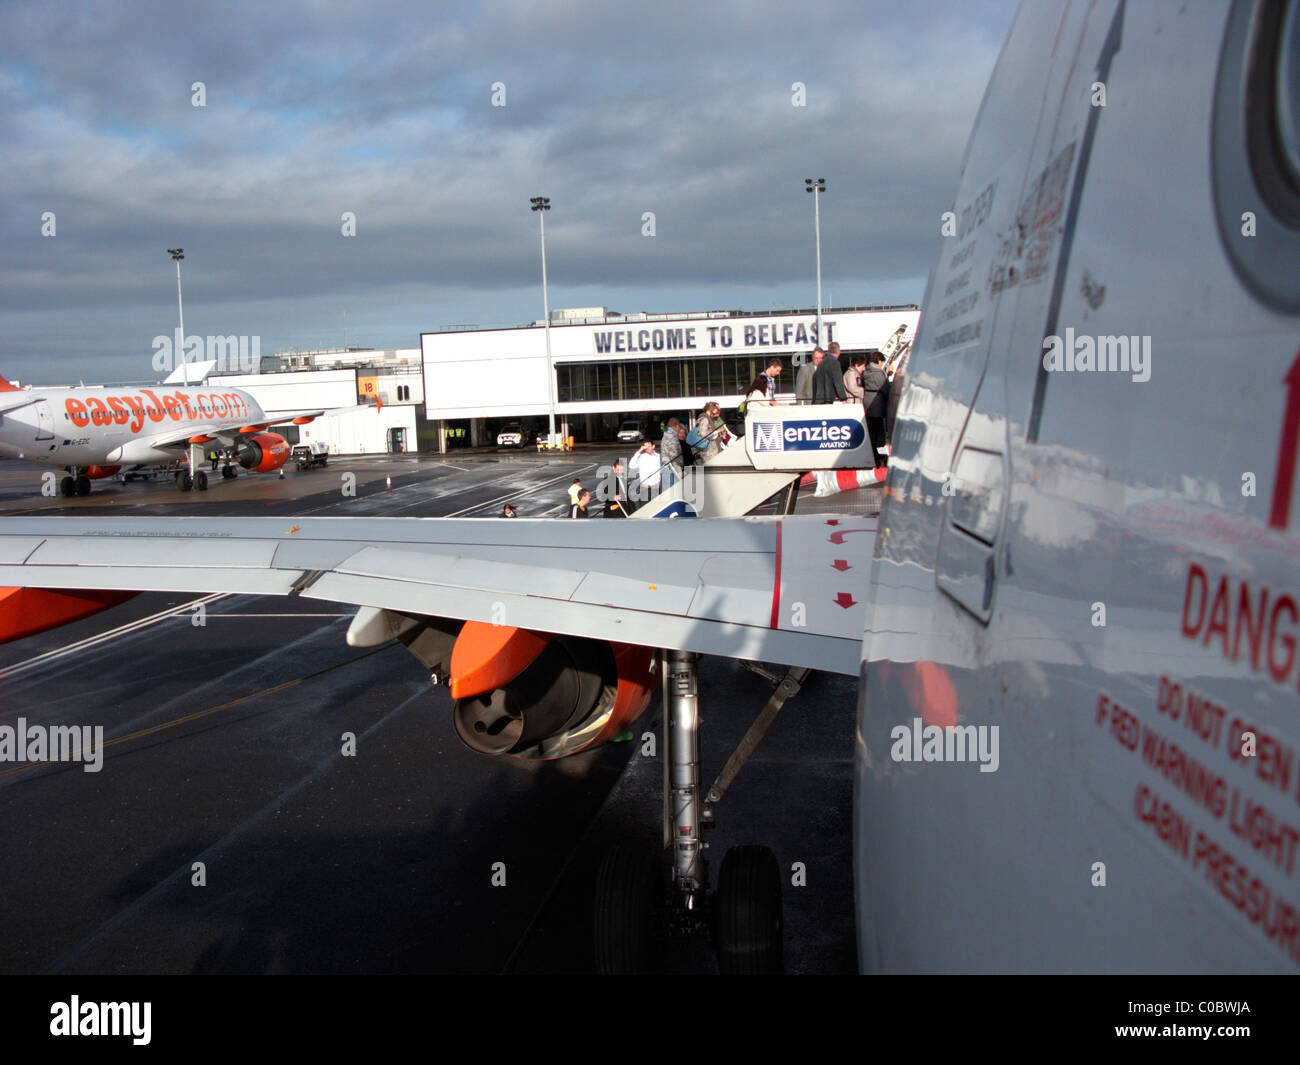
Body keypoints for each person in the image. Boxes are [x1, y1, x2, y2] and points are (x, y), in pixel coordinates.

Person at [861, 351, 890, 468]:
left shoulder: (866, 372)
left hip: (867, 402)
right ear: (879, 360)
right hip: (877, 403)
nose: (883, 364)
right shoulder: (879, 373)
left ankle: (872, 454)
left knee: (871, 432)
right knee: (879, 432)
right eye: (882, 361)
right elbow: (885, 388)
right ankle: (878, 457)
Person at [629, 440, 660, 505]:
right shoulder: (641, 457)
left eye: (648, 446)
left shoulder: (659, 457)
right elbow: (631, 465)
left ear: (653, 446)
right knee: (645, 508)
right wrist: (639, 451)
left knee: (656, 507)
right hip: (644, 488)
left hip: (656, 488)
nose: (647, 448)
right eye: (645, 447)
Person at [661, 418, 685, 488]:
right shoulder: (672, 437)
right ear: (677, 426)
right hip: (673, 469)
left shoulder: (665, 435)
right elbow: (674, 457)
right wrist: (679, 471)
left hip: (666, 468)